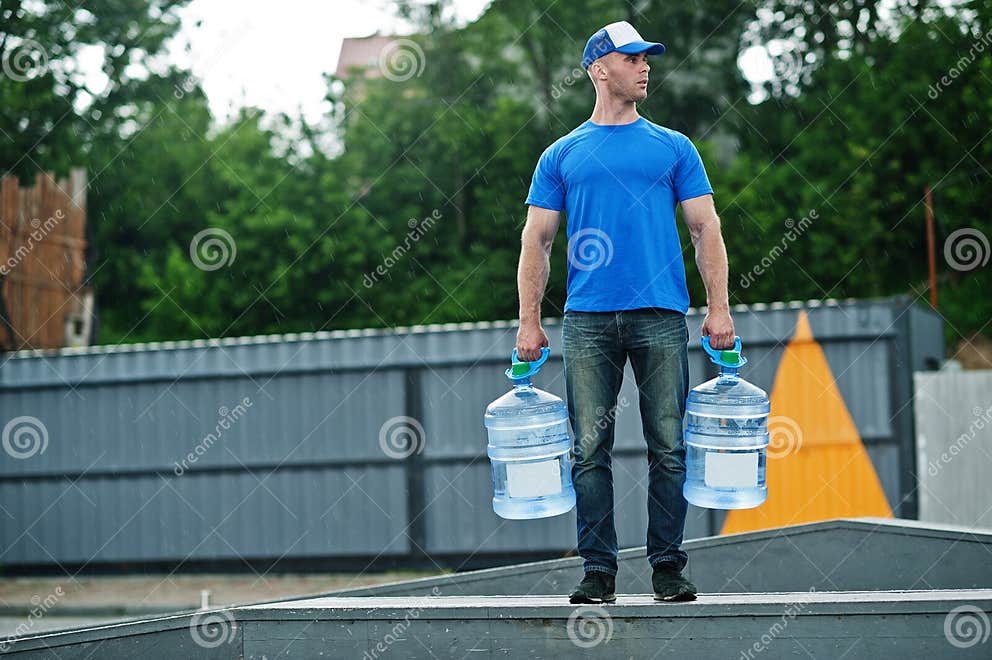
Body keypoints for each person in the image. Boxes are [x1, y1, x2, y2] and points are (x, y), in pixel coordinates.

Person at [515, 20, 735, 604]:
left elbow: (704, 226)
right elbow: (535, 240)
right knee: (589, 450)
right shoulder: (561, 155)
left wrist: (720, 308)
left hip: (662, 315)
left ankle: (667, 567)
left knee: (669, 445)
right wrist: (528, 320)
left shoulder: (674, 147)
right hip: (587, 321)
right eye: (633, 57)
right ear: (599, 68)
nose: (645, 67)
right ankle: (598, 572)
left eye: (646, 59)